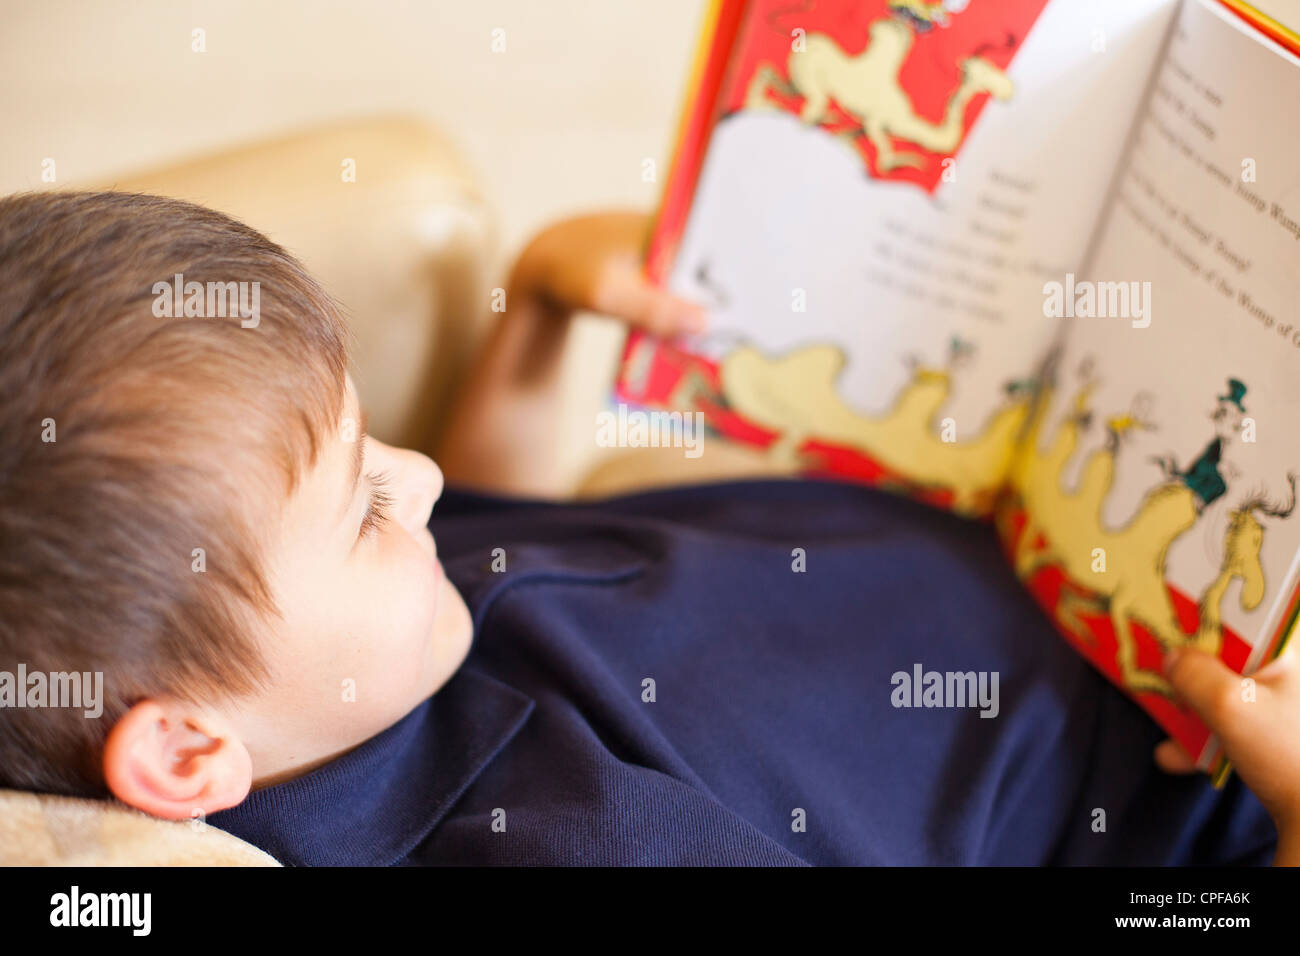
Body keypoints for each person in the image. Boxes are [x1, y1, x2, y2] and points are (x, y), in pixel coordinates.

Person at [1, 192, 1295, 865]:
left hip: (1012, 543)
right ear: (182, 758)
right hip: (1173, 768)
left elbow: (503, 525)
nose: (425, 483)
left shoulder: (342, 664)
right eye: (364, 501)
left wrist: (539, 317)